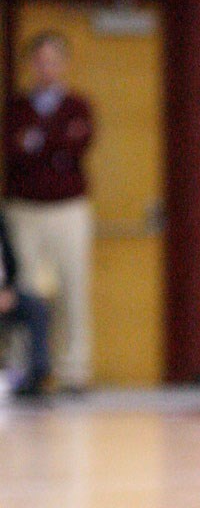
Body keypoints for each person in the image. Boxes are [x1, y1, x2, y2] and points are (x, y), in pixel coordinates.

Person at [2, 30, 93, 393]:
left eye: (54, 60)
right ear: (30, 65)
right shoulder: (16, 108)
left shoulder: (78, 106)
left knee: (73, 289)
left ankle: (75, 372)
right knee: (23, 291)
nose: (47, 67)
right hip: (25, 209)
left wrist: (39, 141)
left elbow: (78, 144)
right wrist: (53, 145)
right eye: (40, 60)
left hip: (68, 209)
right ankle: (26, 371)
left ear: (65, 64)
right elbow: (16, 148)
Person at [0, 211, 50, 398]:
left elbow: (11, 262)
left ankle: (36, 376)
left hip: (3, 292)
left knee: (36, 308)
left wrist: (7, 289)